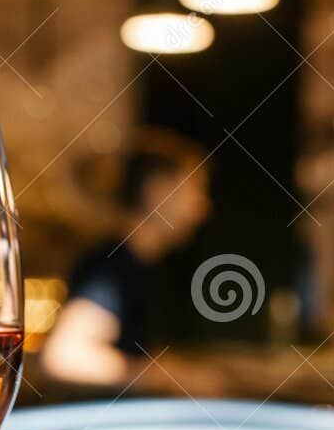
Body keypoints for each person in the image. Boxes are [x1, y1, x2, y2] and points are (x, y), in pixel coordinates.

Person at [41, 135, 212, 387]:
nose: (202, 209)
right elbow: (65, 356)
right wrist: (160, 378)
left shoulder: (133, 263)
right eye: (195, 191)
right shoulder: (113, 267)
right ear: (158, 190)